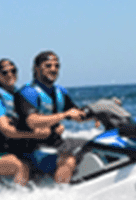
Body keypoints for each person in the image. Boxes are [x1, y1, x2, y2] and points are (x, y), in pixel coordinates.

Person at [17, 50, 90, 184]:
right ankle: (60, 196)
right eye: (48, 66)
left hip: (55, 146)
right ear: (36, 68)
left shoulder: (60, 92)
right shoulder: (28, 92)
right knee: (68, 159)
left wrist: (101, 110)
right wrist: (64, 115)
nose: (53, 69)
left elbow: (77, 114)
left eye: (57, 66)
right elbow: (32, 121)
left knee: (92, 146)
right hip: (31, 151)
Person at [0, 59, 53, 186]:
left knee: (50, 161)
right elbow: (6, 129)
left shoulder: (21, 95)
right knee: (21, 166)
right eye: (4, 72)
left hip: (22, 152)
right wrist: (35, 135)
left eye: (13, 71)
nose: (10, 74)